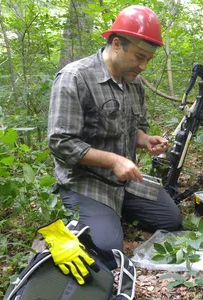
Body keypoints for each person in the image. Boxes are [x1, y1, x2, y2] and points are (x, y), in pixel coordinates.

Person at [47, 5, 182, 252]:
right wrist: (113, 161)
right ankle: (95, 215)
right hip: (85, 181)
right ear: (117, 44)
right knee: (108, 248)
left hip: (125, 181)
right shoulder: (75, 77)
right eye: (139, 57)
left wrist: (145, 139)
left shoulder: (134, 84)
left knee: (171, 220)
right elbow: (61, 143)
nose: (143, 67)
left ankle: (111, 212)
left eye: (148, 60)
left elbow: (135, 129)